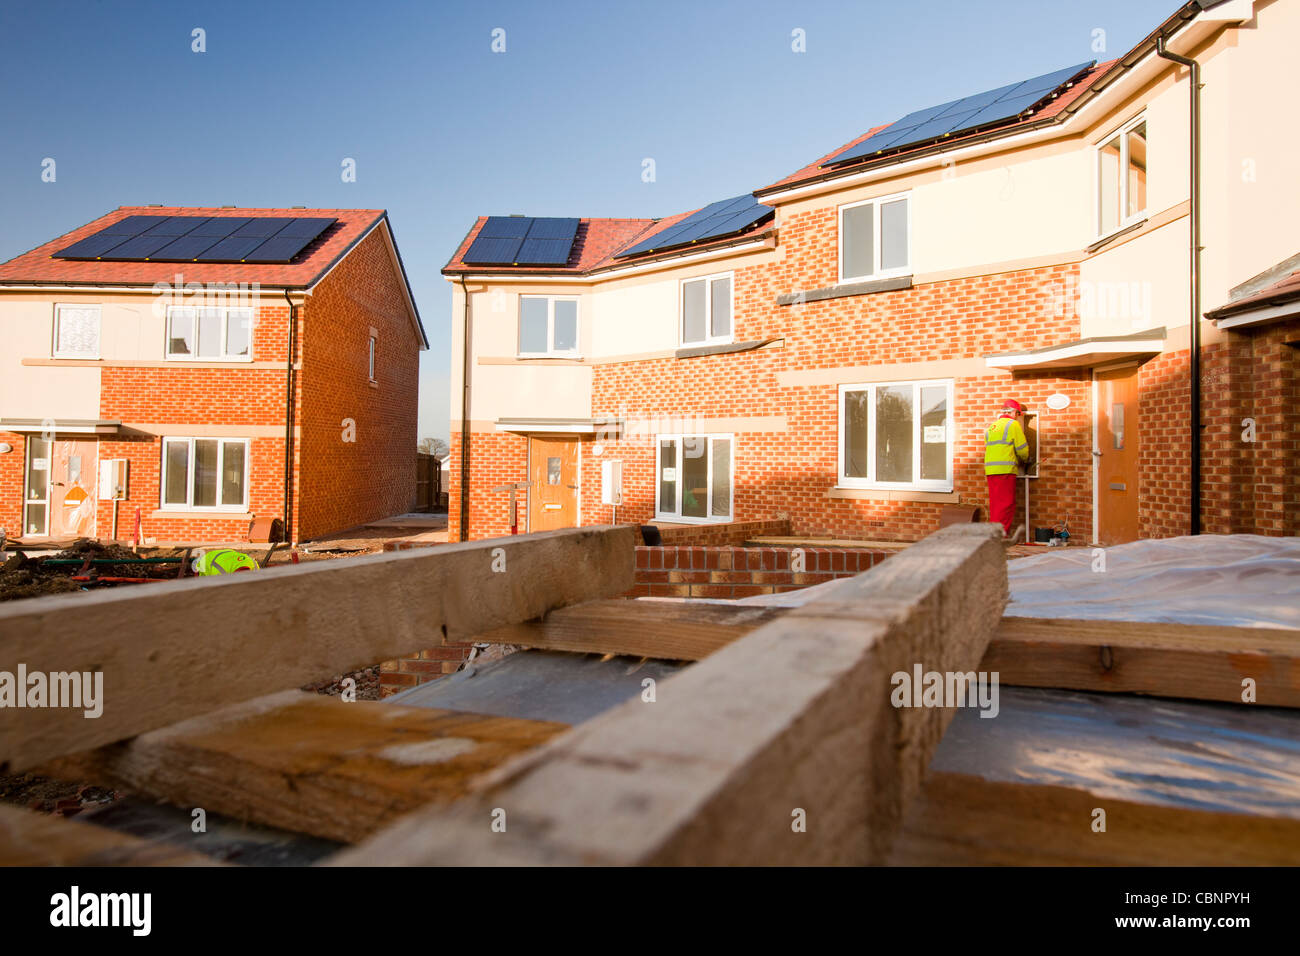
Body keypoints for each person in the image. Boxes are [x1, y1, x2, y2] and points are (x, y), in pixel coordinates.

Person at [985, 399, 1031, 539]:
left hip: (991, 470)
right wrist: (1026, 459)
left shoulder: (992, 426)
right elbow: (1022, 449)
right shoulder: (1013, 424)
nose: (1017, 416)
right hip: (1005, 469)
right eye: (1018, 413)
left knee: (996, 504)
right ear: (1014, 412)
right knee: (1006, 504)